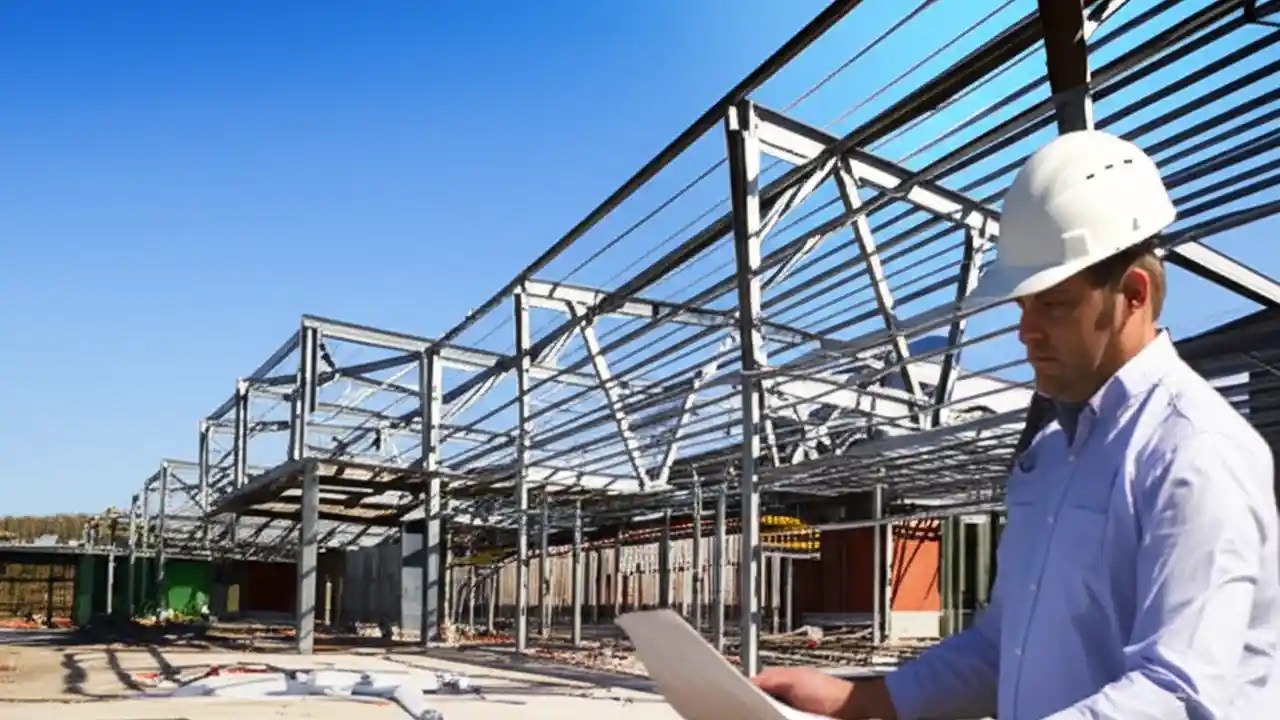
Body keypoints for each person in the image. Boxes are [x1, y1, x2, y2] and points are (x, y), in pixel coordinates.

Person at [754, 129, 1279, 719]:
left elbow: (1179, 693)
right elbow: (1002, 648)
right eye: (1022, 306)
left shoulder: (1193, 452)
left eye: (1052, 304)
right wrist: (858, 699)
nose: (1025, 332)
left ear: (1132, 294)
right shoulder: (1053, 458)